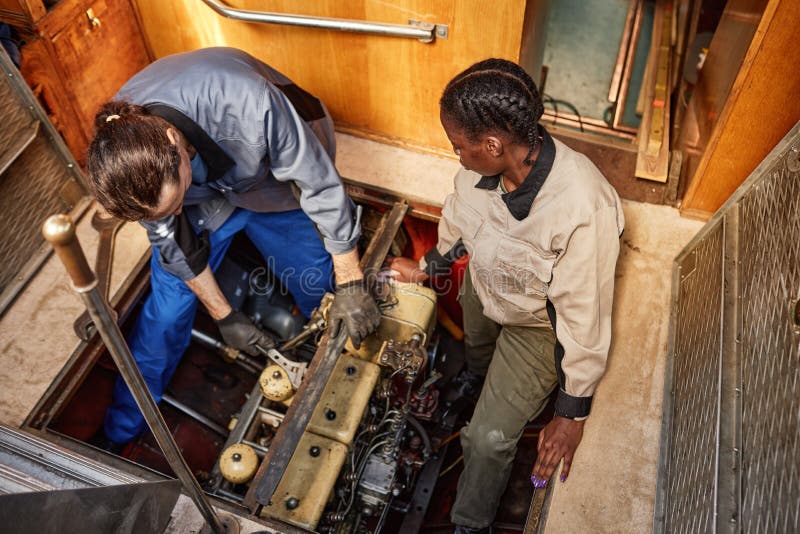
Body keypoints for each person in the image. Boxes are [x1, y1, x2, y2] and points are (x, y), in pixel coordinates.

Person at [86, 47, 380, 448]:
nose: (169, 214)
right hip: (205, 194)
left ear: (173, 141)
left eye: (171, 204)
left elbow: (319, 183)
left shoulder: (247, 103)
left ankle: (343, 379)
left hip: (269, 179)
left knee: (321, 285)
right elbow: (171, 238)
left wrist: (350, 282)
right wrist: (223, 315)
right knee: (166, 315)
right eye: (160, 212)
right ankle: (121, 430)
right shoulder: (127, 148)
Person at [389, 59, 624, 533]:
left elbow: (584, 317)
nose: (455, 153)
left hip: (535, 326)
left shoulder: (583, 206)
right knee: (476, 352)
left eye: (459, 145)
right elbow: (458, 223)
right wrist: (426, 269)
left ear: (493, 145)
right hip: (484, 290)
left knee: (487, 440)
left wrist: (571, 412)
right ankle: (477, 379)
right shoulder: (478, 172)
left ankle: (470, 523)